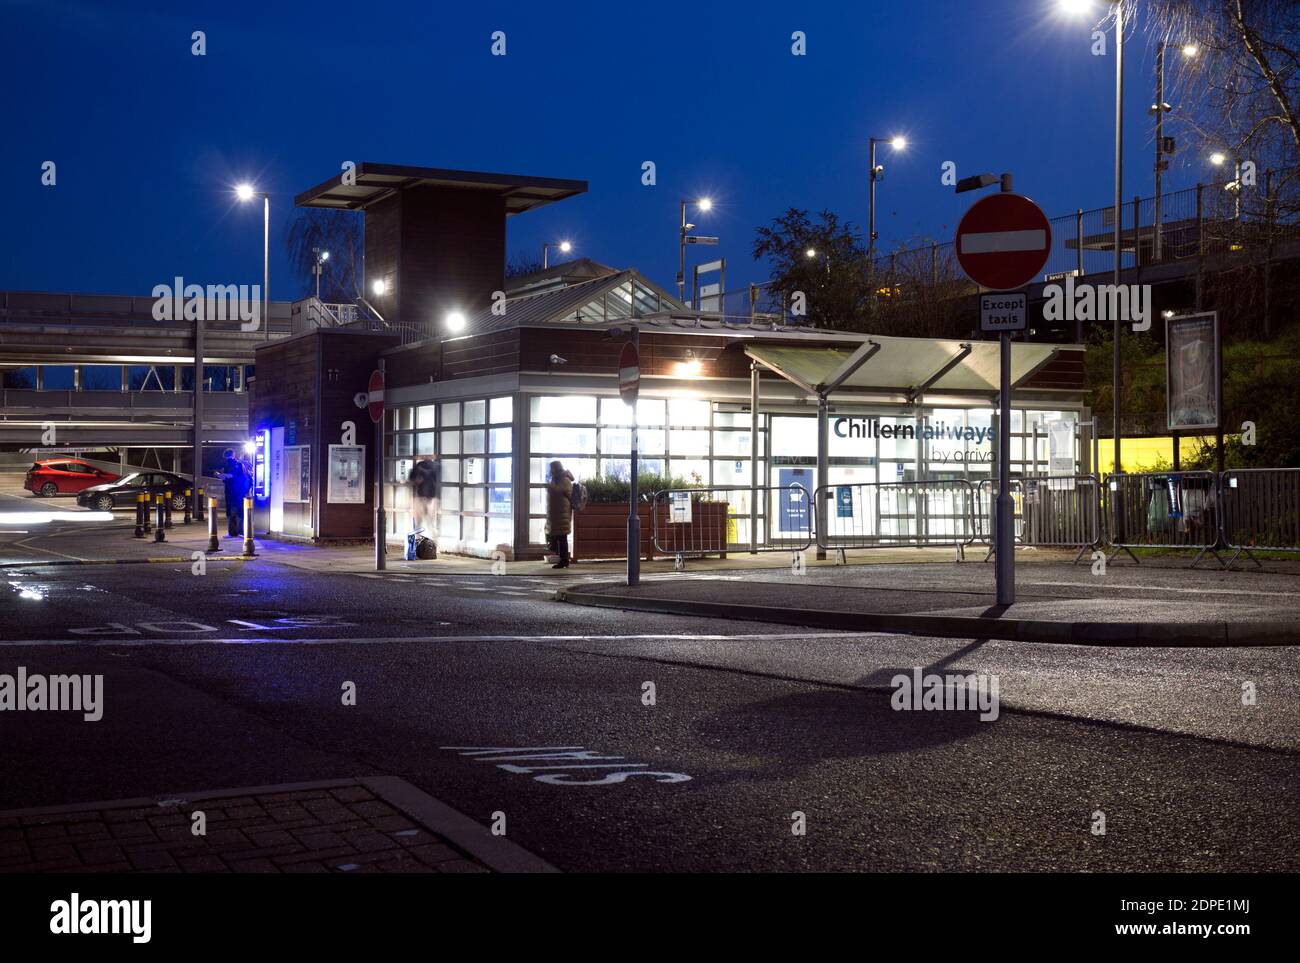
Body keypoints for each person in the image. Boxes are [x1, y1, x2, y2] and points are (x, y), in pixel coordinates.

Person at [545, 459, 574, 569]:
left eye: (552, 469)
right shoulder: (556, 479)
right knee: (558, 537)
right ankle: (562, 558)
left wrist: (551, 487)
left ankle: (564, 560)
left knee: (562, 538)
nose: (550, 471)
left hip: (562, 515)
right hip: (557, 514)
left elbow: (561, 490)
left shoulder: (564, 479)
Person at [408, 455, 441, 548]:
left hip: (427, 497)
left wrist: (418, 476)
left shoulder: (423, 466)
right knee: (429, 523)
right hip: (427, 497)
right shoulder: (433, 466)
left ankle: (426, 545)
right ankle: (431, 546)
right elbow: (412, 478)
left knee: (424, 523)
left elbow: (412, 478)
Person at [219, 448, 251, 537]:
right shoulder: (240, 464)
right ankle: (241, 531)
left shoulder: (230, 464)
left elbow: (231, 475)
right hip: (241, 491)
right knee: (240, 510)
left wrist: (221, 475)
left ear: (226, 456)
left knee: (231, 510)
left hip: (232, 490)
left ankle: (232, 532)